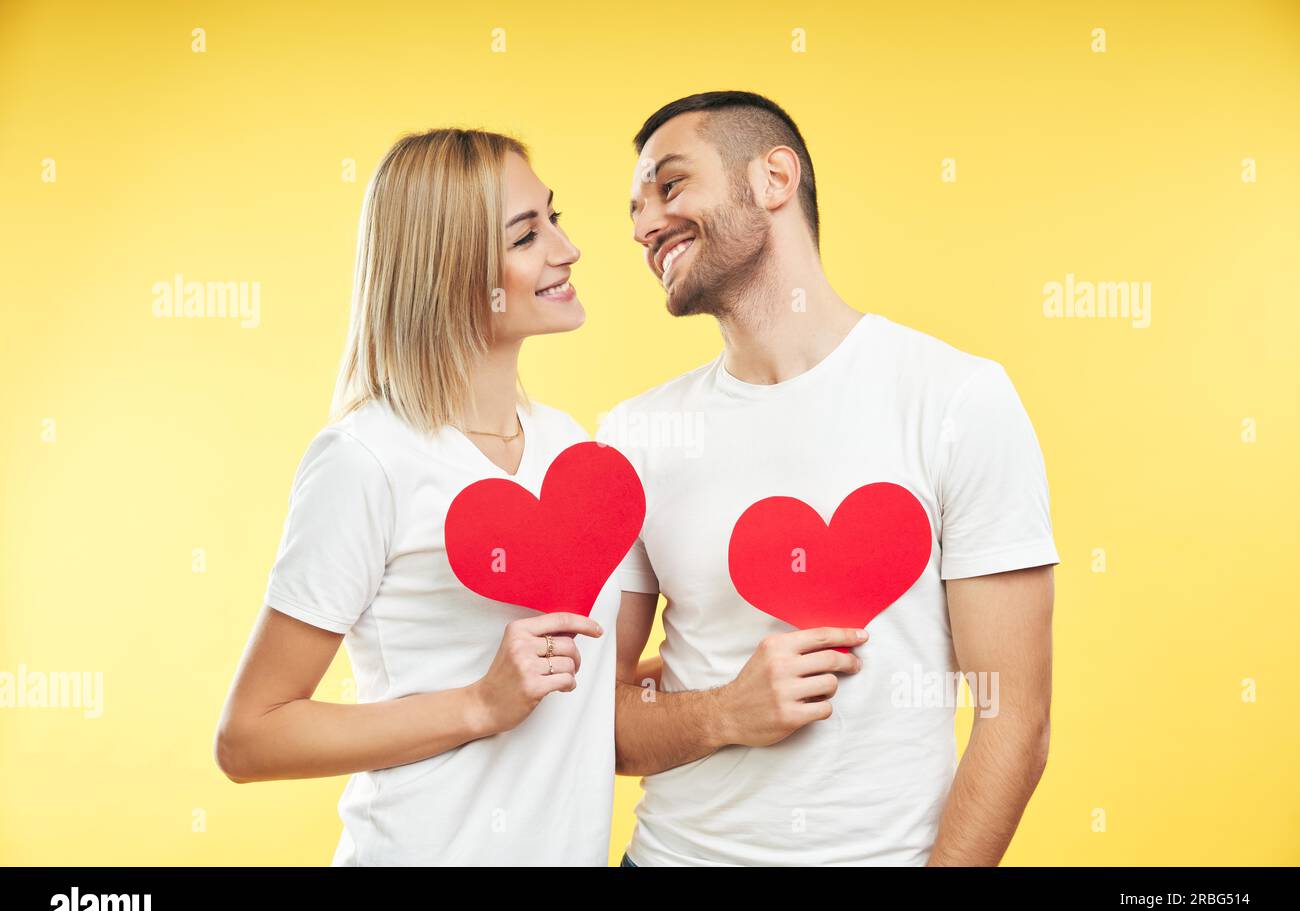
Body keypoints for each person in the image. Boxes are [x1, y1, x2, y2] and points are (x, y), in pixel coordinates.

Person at [598, 91, 1060, 866]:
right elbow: (590, 720)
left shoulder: (956, 399)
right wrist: (724, 711)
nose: (645, 226)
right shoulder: (635, 435)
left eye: (669, 185)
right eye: (637, 210)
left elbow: (1015, 721)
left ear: (774, 178)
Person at [215, 128, 618, 866]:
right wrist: (479, 703)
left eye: (555, 217)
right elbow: (250, 736)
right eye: (527, 235)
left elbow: (591, 694)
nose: (568, 249)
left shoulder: (570, 448)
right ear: (452, 271)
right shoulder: (365, 459)